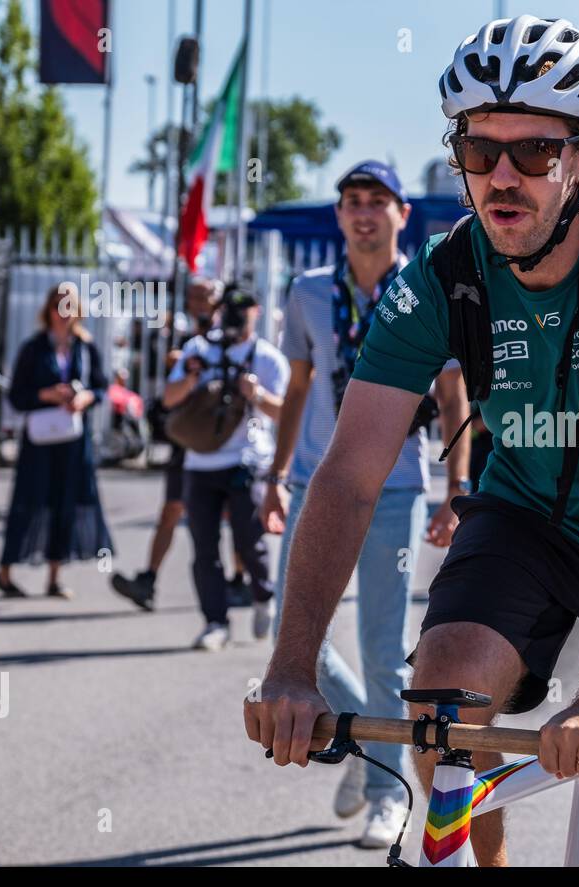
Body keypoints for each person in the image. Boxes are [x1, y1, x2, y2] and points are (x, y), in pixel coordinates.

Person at [247, 14, 579, 868]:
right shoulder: (443, 275)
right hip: (528, 515)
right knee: (441, 697)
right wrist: (293, 665)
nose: (501, 176)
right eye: (478, 151)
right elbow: (346, 477)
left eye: (533, 152)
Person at [258, 160, 471, 847]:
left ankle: (385, 792)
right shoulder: (308, 291)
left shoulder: (424, 286)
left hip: (397, 488)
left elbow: (451, 397)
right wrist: (275, 473)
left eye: (378, 201)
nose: (364, 212)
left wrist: (455, 489)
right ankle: (365, 746)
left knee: (384, 650)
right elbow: (296, 388)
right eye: (352, 201)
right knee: (290, 640)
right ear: (340, 214)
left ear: (402, 214)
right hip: (313, 486)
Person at [163, 287, 289, 648]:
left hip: (247, 461)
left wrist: (258, 395)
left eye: (242, 312)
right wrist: (189, 379)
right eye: (228, 312)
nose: (234, 320)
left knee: (249, 540)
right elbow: (168, 399)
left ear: (257, 311)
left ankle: (263, 596)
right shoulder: (198, 349)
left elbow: (286, 414)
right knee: (204, 546)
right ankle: (214, 622)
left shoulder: (268, 358)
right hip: (200, 462)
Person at [0, 284, 112, 598]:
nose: (64, 312)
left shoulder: (85, 348)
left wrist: (84, 398)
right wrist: (45, 395)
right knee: (28, 502)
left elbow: (101, 388)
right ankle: (5, 572)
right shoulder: (34, 348)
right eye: (58, 305)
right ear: (48, 309)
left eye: (69, 305)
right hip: (40, 440)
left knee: (66, 502)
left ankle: (54, 576)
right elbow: (17, 395)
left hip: (73, 439)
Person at [112, 277, 223, 611]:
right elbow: (167, 396)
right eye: (193, 297)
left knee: (236, 513)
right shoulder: (182, 341)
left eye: (204, 297)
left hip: (223, 438)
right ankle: (148, 579)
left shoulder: (230, 340)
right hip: (188, 436)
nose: (198, 303)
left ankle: (241, 581)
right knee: (171, 508)